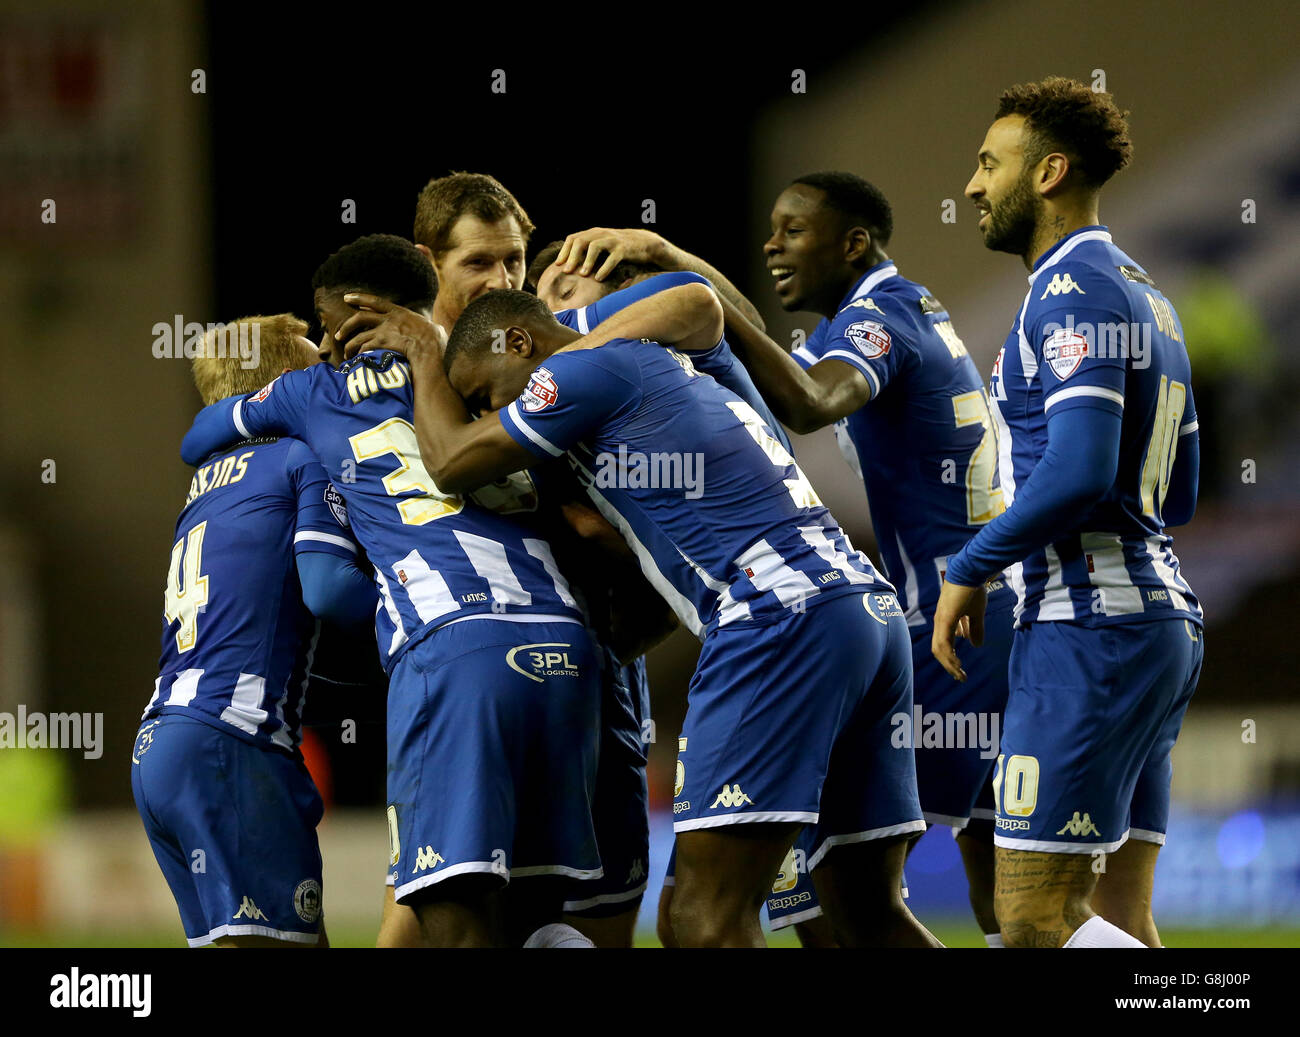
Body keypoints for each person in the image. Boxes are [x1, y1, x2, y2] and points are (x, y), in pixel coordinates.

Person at [338, 281, 939, 948]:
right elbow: (700, 309)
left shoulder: (576, 371)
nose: (488, 413)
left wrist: (425, 352)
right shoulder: (658, 368)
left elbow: (450, 461)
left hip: (775, 617)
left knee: (701, 920)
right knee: (867, 913)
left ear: (519, 342)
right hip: (862, 607)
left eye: (486, 393)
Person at [180, 236, 604, 948]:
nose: (321, 342)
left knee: (452, 924)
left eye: (324, 325)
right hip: (567, 642)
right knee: (538, 921)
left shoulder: (312, 391)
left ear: (353, 314)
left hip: (452, 646)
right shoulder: (480, 367)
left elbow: (203, 432)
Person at [697, 171, 1016, 944]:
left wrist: (689, 288)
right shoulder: (902, 305)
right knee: (1011, 900)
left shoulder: (876, 319)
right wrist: (694, 273)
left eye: (794, 229)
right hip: (996, 614)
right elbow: (785, 364)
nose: (773, 243)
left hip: (955, 622)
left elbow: (808, 400)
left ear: (854, 243)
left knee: (832, 885)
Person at [933, 76, 1202, 948]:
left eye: (988, 163)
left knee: (1030, 919)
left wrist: (969, 567)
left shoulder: (1067, 293)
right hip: (1153, 621)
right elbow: (1181, 489)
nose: (972, 186)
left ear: (1047, 173)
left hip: (1092, 633)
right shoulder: (1147, 294)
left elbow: (1083, 469)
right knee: (1119, 919)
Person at [133, 314, 374, 947]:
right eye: (315, 367)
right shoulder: (299, 458)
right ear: (284, 383)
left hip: (162, 741)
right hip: (232, 740)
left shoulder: (203, 485)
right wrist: (420, 606)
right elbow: (327, 590)